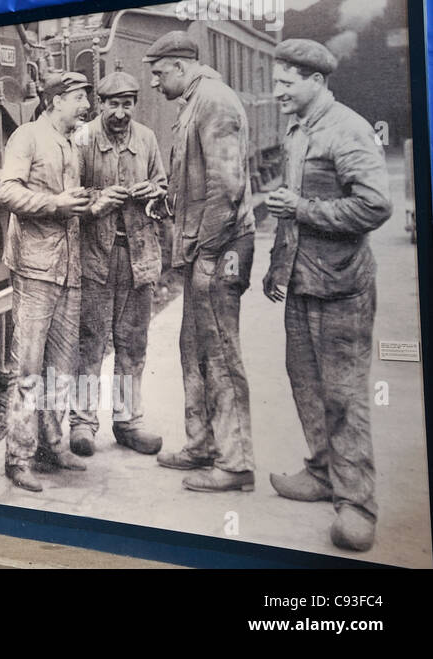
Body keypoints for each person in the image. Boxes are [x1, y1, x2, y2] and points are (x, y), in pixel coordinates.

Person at [262, 39, 392, 553]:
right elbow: (291, 204)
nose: (277, 93)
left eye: (286, 84)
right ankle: (321, 472)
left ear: (316, 81)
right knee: (306, 383)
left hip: (341, 286)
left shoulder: (349, 130)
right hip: (301, 281)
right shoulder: (299, 131)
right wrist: (278, 264)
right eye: (276, 83)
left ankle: (357, 503)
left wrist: (302, 209)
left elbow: (374, 207)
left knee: (345, 396)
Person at [144, 31, 256, 492]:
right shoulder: (196, 100)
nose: (153, 83)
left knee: (221, 353)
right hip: (202, 247)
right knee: (194, 347)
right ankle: (202, 444)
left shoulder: (215, 102)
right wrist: (167, 201)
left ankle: (235, 463)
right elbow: (196, 178)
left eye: (157, 72)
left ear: (180, 65)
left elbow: (226, 188)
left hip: (220, 247)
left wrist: (203, 248)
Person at [0, 70, 93, 493]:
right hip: (36, 269)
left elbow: (70, 204)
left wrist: (92, 203)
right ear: (56, 100)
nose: (86, 105)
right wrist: (55, 203)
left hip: (68, 269)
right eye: (79, 97)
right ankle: (19, 458)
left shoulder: (72, 143)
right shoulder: (27, 137)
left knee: (62, 365)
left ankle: (54, 445)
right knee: (29, 368)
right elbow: (7, 192)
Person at [70, 71, 167, 457]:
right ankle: (82, 423)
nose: (121, 113)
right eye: (113, 104)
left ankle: (128, 422)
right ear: (100, 105)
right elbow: (67, 194)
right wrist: (98, 198)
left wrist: (153, 192)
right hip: (96, 256)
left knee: (132, 343)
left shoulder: (146, 139)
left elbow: (163, 188)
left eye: (127, 105)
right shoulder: (83, 139)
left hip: (137, 257)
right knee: (89, 342)